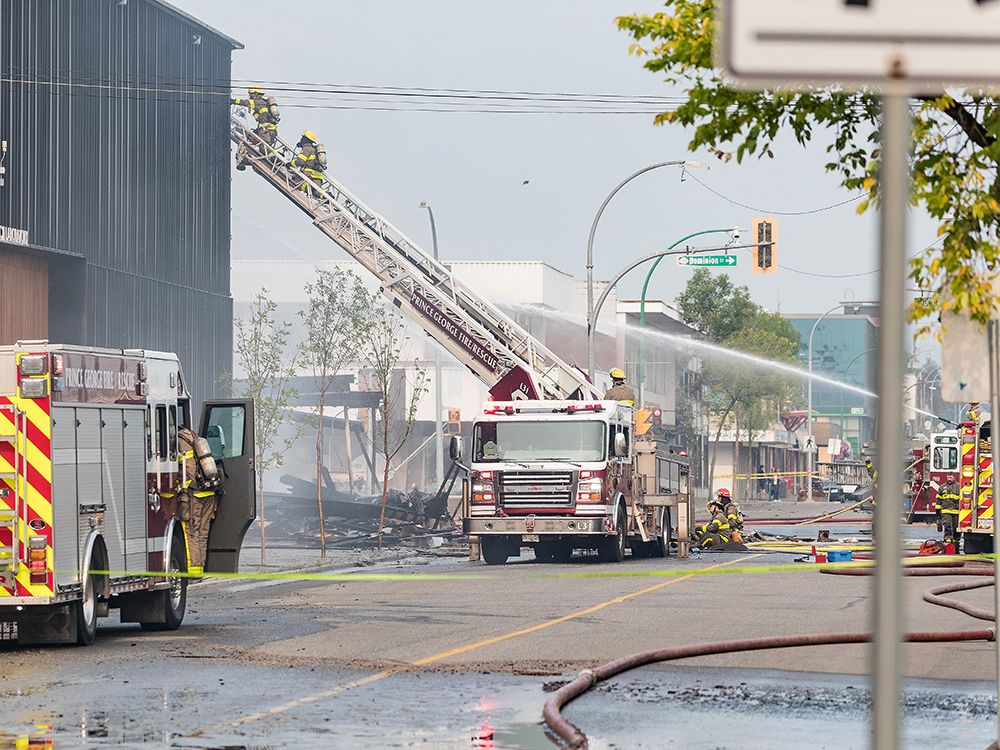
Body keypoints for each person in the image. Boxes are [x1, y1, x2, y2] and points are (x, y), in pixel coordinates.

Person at [176, 427, 219, 576]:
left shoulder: (177, 441)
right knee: (203, 533)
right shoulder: (194, 437)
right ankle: (199, 571)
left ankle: (192, 574)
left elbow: (179, 471)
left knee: (191, 533)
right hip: (208, 492)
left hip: (193, 494)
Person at [292, 130, 328, 195]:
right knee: (317, 193)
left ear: (305, 139)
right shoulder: (314, 150)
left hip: (308, 174)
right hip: (318, 176)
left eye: (303, 137)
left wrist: (291, 163)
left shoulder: (307, 149)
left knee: (294, 181)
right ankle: (327, 194)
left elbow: (300, 161)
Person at [935, 473, 961, 545]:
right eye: (948, 477)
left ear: (954, 478)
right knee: (947, 525)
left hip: (956, 511)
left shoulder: (959, 486)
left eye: (951, 477)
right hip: (945, 510)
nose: (949, 479)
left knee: (956, 527)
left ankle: (956, 541)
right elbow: (938, 499)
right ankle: (947, 540)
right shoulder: (942, 487)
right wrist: (938, 511)